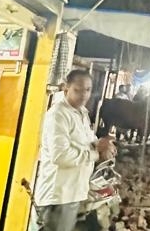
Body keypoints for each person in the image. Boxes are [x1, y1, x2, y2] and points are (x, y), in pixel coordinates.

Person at [33, 69, 116, 231]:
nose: (84, 95)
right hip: (58, 196)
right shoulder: (58, 115)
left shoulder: (82, 113)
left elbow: (88, 141)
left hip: (73, 192)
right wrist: (95, 153)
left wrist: (103, 143)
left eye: (88, 90)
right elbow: (60, 156)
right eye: (78, 90)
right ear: (66, 89)